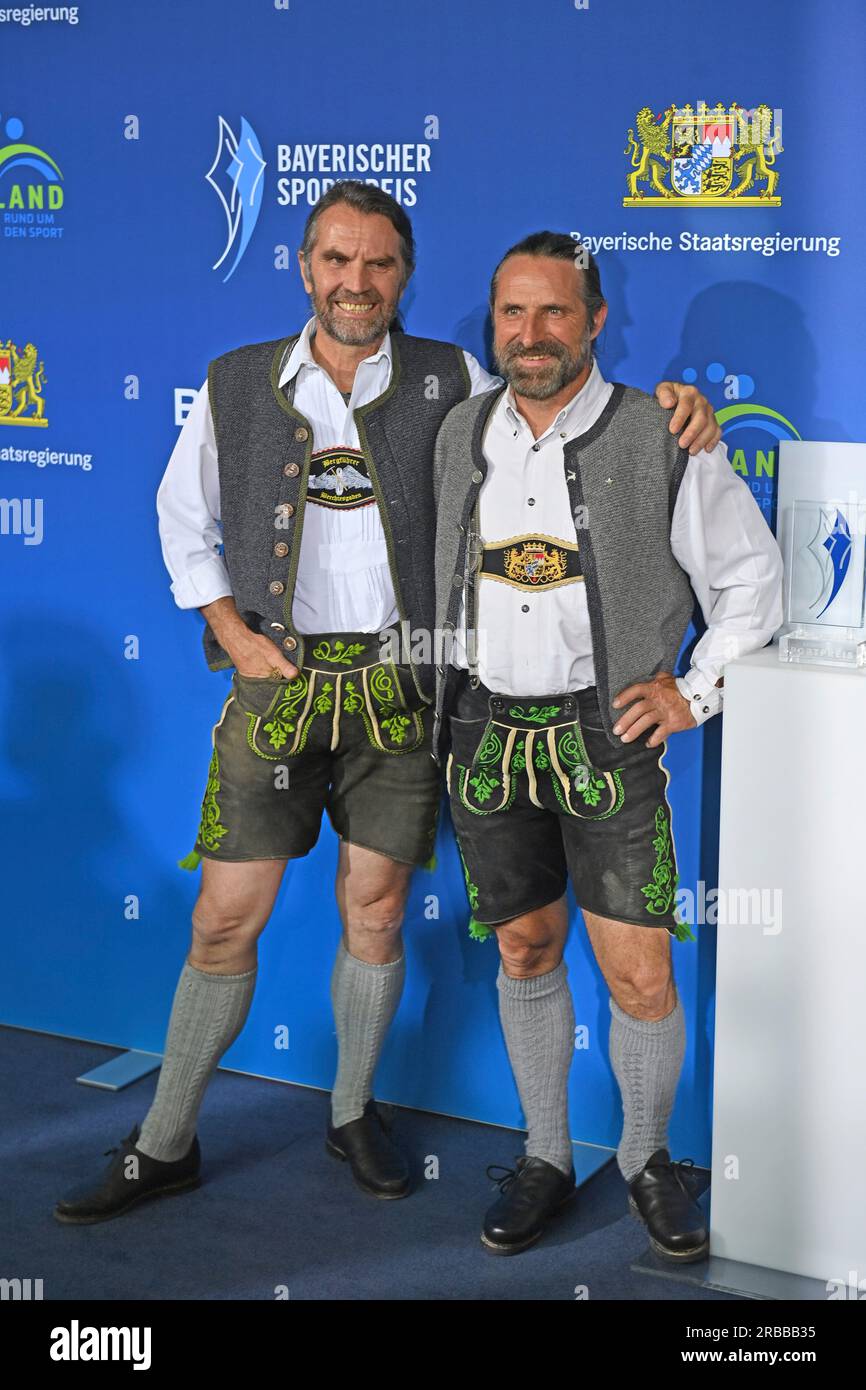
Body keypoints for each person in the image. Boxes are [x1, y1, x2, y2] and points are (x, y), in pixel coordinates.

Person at [53, 189, 720, 1226]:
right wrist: (230, 633)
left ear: (403, 278)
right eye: (335, 259)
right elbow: (180, 518)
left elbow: (560, 440)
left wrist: (683, 410)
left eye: (376, 264)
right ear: (304, 266)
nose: (354, 282)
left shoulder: (453, 381)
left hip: (408, 692)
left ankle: (353, 1111)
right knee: (224, 917)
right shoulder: (234, 381)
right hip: (276, 690)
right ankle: (163, 1140)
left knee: (371, 911)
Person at [432, 231, 783, 1258]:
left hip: (608, 732)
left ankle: (642, 1156)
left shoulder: (664, 433)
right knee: (523, 947)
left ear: (593, 320)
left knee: (637, 977)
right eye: (511, 313)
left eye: (552, 313)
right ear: (491, 323)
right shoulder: (459, 429)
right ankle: (545, 1153)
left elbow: (750, 584)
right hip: (484, 729)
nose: (529, 334)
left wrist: (695, 687)